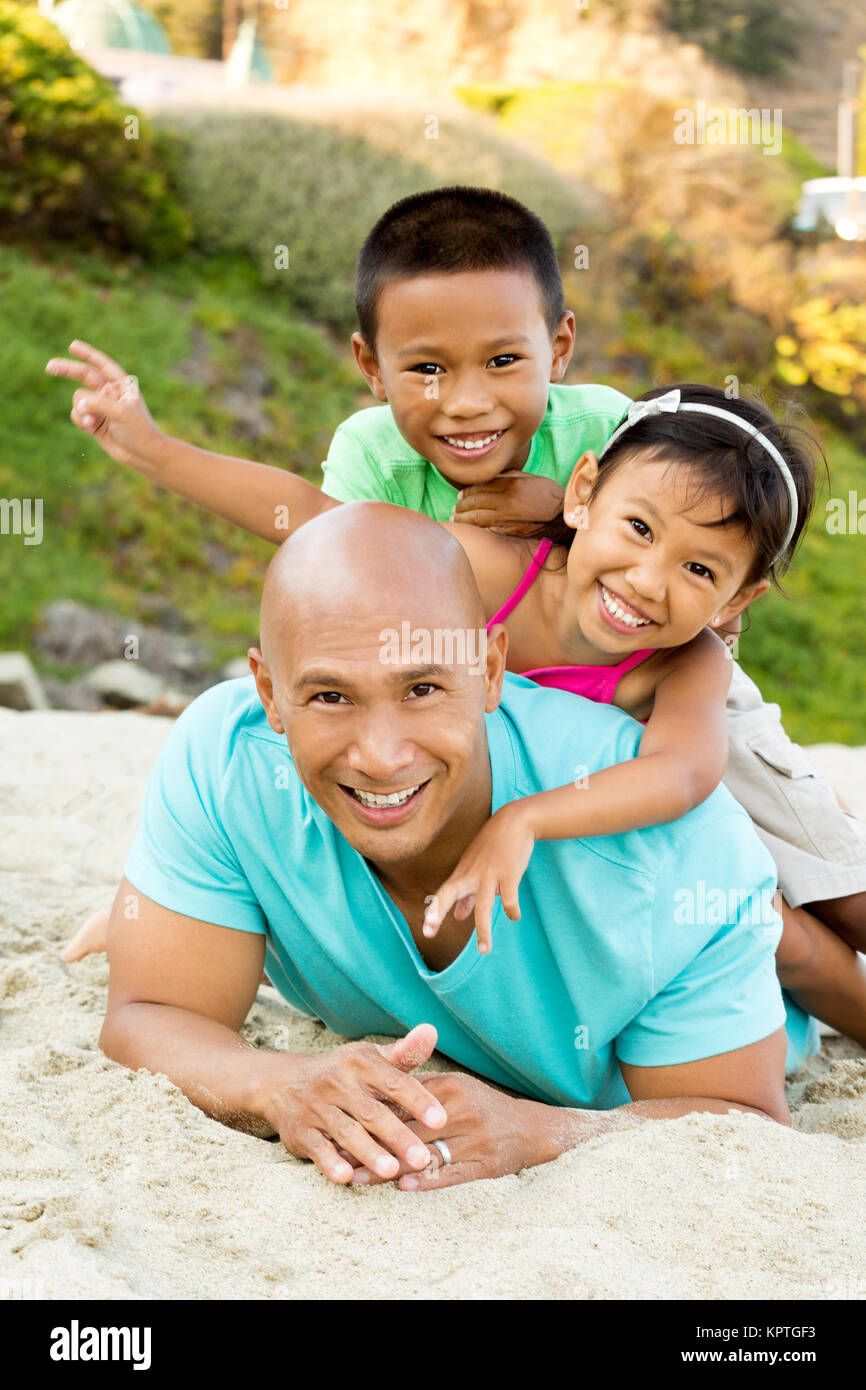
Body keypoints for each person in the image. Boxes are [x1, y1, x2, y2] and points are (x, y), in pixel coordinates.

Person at [49, 345, 866, 1047]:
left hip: (702, 773)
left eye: (699, 570)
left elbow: (684, 774)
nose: (646, 582)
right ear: (582, 495)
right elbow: (318, 519)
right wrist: (154, 449)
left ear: (736, 601)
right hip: (593, 788)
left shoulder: (690, 662)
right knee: (775, 930)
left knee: (831, 895)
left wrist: (527, 820)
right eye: (640, 530)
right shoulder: (487, 571)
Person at [100, 503, 802, 1192]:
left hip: (747, 976)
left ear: (491, 670)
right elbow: (152, 1016)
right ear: (269, 693)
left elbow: (741, 1122)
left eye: (423, 688)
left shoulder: (671, 844)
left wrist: (540, 1132)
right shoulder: (225, 760)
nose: (380, 757)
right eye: (331, 698)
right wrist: (279, 1082)